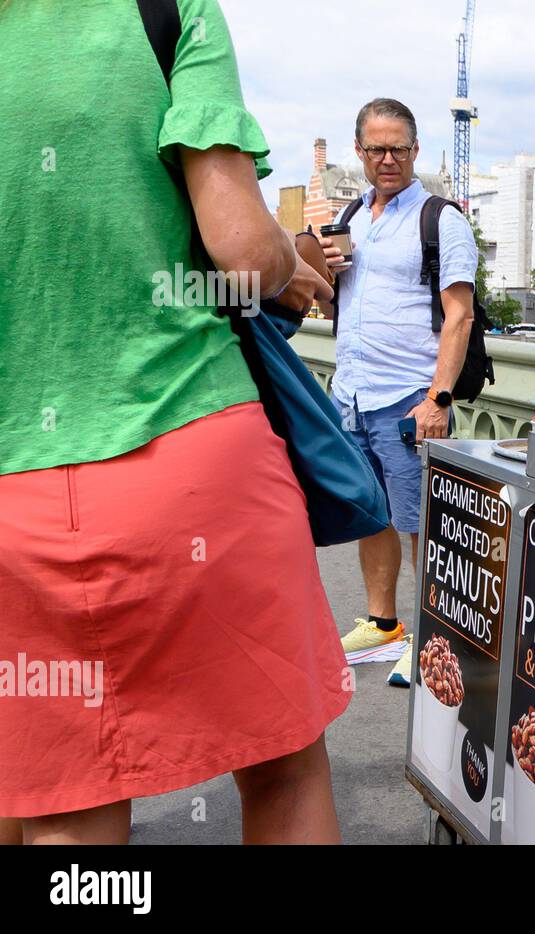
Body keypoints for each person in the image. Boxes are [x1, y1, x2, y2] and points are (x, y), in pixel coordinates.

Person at [0, 0, 347, 843]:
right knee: (282, 767)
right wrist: (291, 260)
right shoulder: (168, 9)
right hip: (192, 450)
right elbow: (241, 253)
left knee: (66, 806)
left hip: (17, 485)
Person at [318, 99, 477, 686]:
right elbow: (340, 308)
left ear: (415, 149)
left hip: (409, 396)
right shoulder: (351, 219)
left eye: (399, 149)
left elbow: (458, 316)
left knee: (425, 525)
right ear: (359, 152)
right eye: (376, 149)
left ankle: (434, 636)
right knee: (373, 515)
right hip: (353, 396)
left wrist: (437, 398)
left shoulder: (441, 219)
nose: (388, 159)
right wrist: (329, 275)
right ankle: (385, 625)